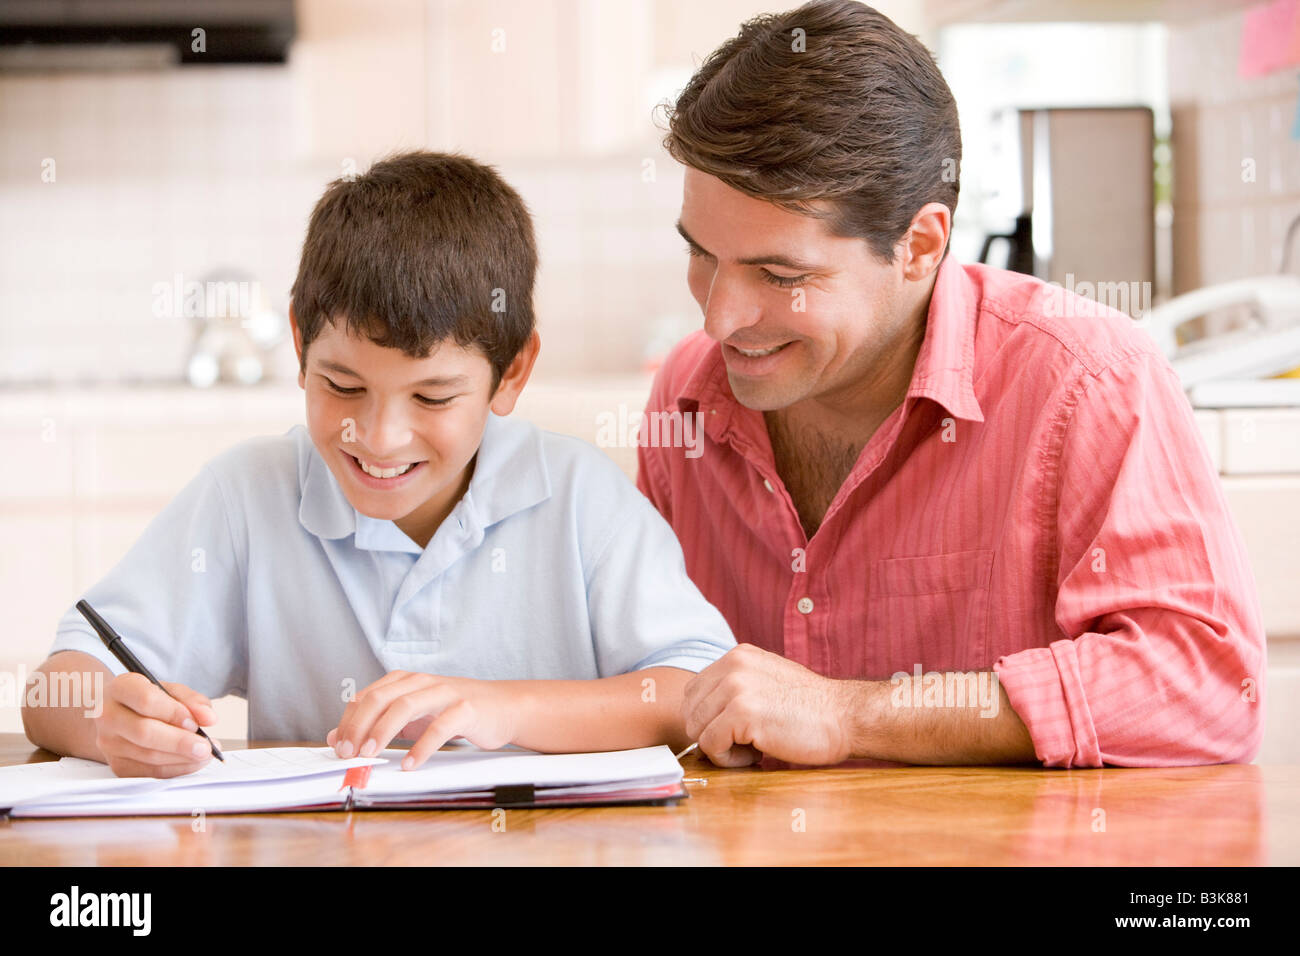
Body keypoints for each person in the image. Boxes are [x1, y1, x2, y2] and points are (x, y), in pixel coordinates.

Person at [639, 0, 1266, 768]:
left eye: (780, 274)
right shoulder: (686, 400)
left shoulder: (1090, 382)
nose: (720, 319)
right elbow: (642, 668)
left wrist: (850, 714)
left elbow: (1203, 684)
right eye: (702, 253)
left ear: (920, 244)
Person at [23, 150, 735, 777]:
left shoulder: (580, 498)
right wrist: (111, 723)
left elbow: (697, 688)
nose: (381, 436)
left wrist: (506, 708)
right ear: (299, 343)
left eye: (432, 396)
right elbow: (51, 690)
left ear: (512, 373)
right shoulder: (247, 497)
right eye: (343, 386)